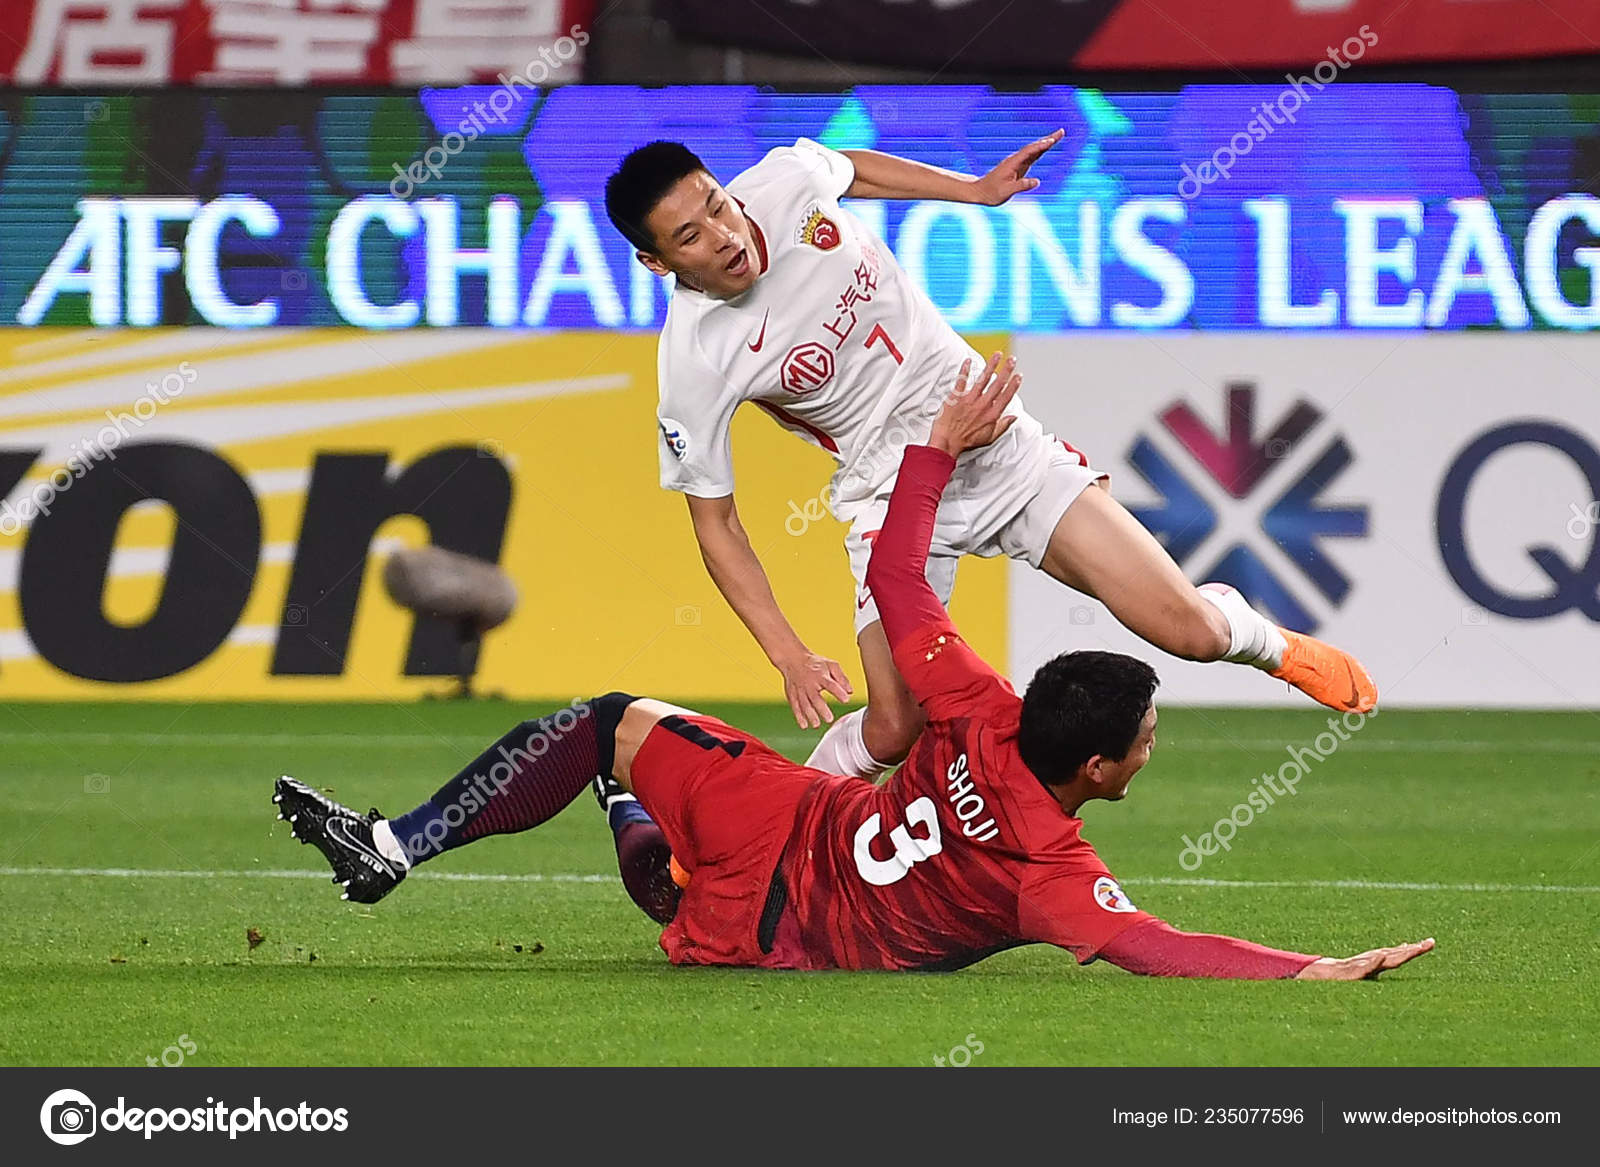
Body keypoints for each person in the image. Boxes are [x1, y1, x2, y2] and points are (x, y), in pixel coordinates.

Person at [273, 356, 1430, 981]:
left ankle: (408, 845)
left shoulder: (976, 704)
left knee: (607, 724)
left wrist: (928, 456)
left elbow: (897, 579)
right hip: (784, 933)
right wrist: (1311, 970)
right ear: (1101, 768)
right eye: (1148, 737)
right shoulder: (1050, 871)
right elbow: (1159, 948)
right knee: (677, 872)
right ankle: (625, 826)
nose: (1150, 744)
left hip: (789, 826)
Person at [601, 132, 1377, 787]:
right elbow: (718, 524)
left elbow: (850, 166)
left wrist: (970, 191)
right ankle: (769, 830)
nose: (726, 234)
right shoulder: (696, 359)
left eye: (716, 204)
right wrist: (790, 655)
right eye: (691, 236)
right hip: (891, 499)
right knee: (895, 724)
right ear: (657, 263)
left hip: (998, 445)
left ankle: (1257, 634)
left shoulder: (784, 184)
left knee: (1192, 634)